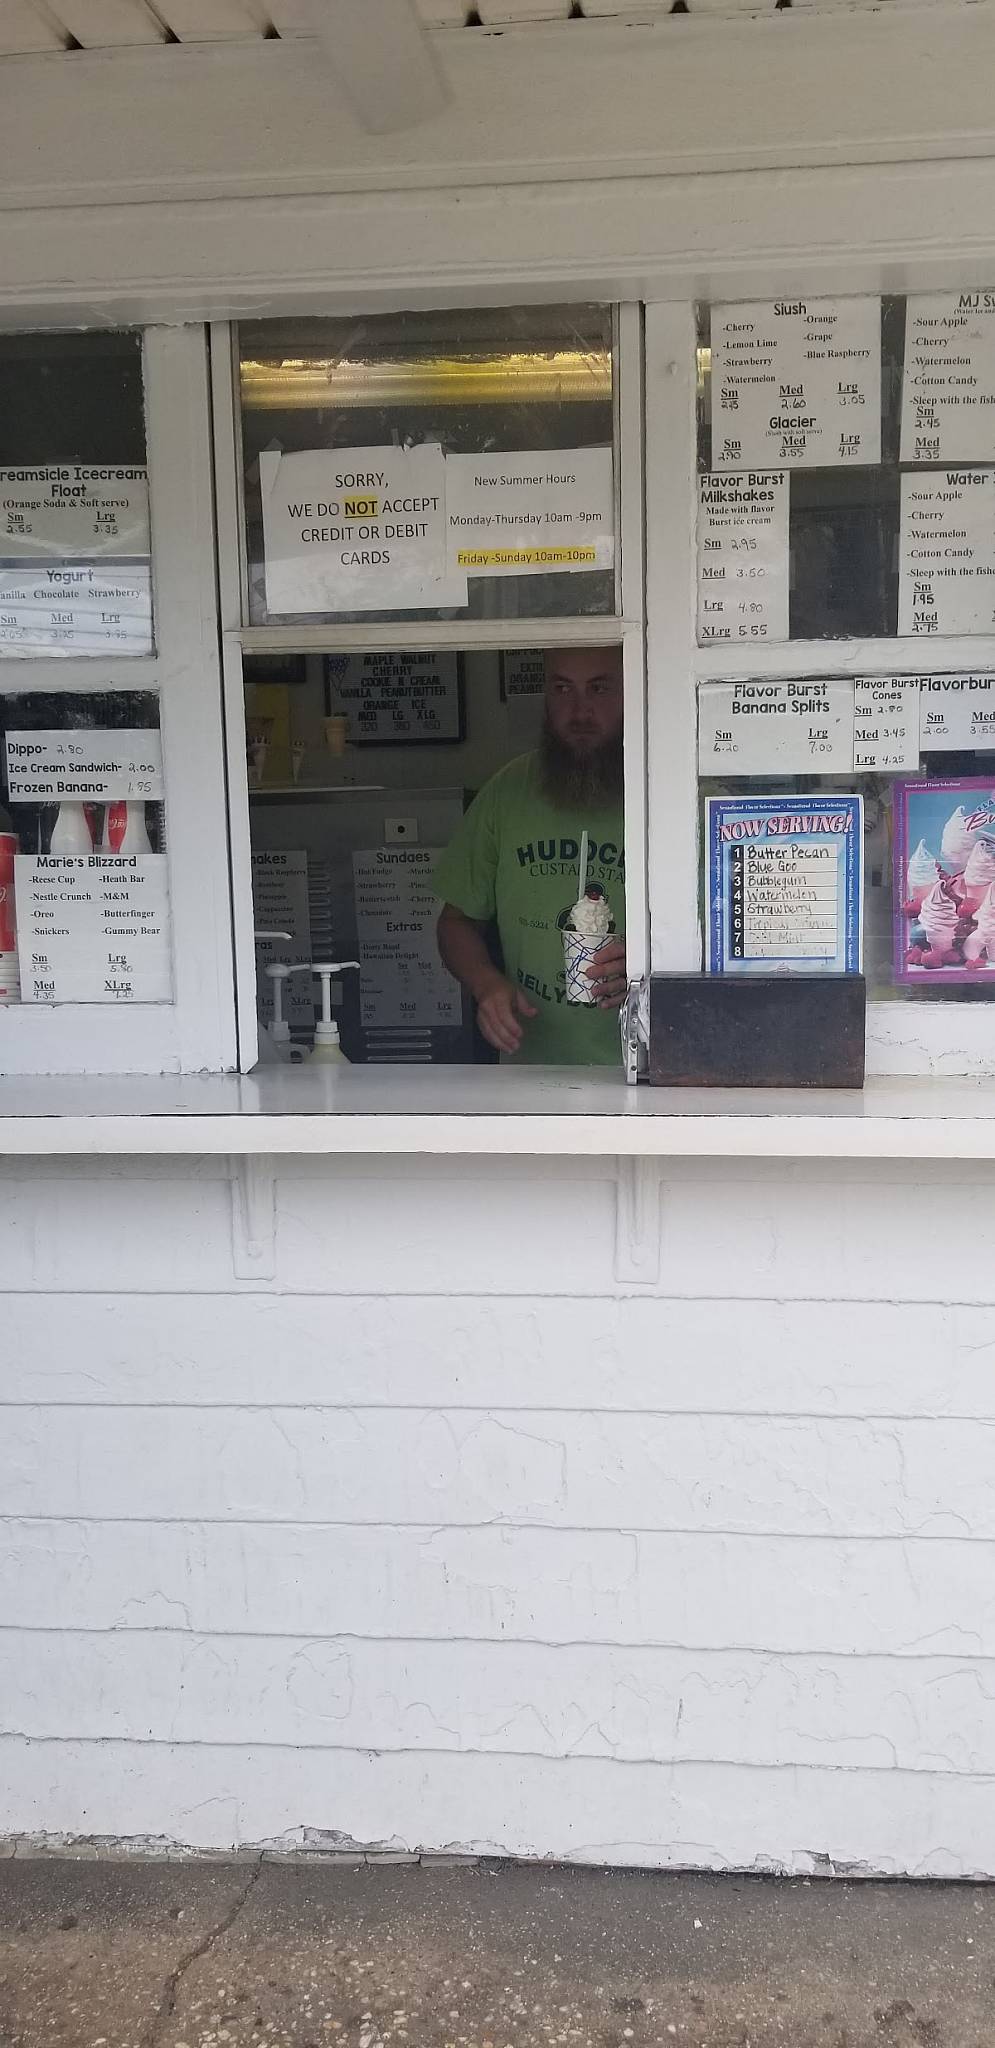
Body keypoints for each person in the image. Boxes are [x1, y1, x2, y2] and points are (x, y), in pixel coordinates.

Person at [434, 646, 626, 1063]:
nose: (580, 710)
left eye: (600, 688)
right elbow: (456, 921)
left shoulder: (673, 790)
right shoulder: (507, 791)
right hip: (530, 1072)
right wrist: (486, 983)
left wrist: (653, 966)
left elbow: (726, 937)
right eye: (562, 688)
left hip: (650, 1070)